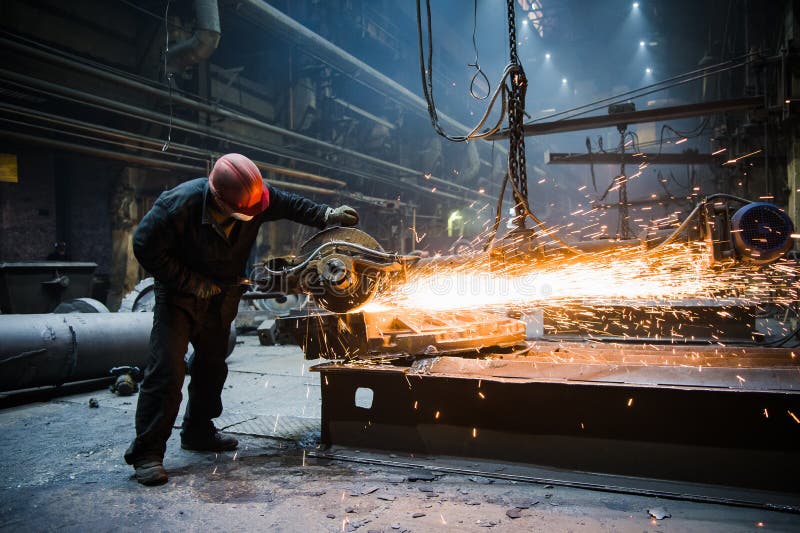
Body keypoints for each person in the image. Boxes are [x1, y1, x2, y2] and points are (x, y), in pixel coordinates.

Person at [124, 153, 358, 486]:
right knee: (166, 370)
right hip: (179, 298)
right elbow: (143, 246)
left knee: (212, 366)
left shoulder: (255, 198)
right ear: (220, 200)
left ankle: (199, 431)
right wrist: (192, 283)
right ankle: (146, 453)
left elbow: (289, 204)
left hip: (222, 294)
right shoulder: (177, 207)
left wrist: (326, 214)